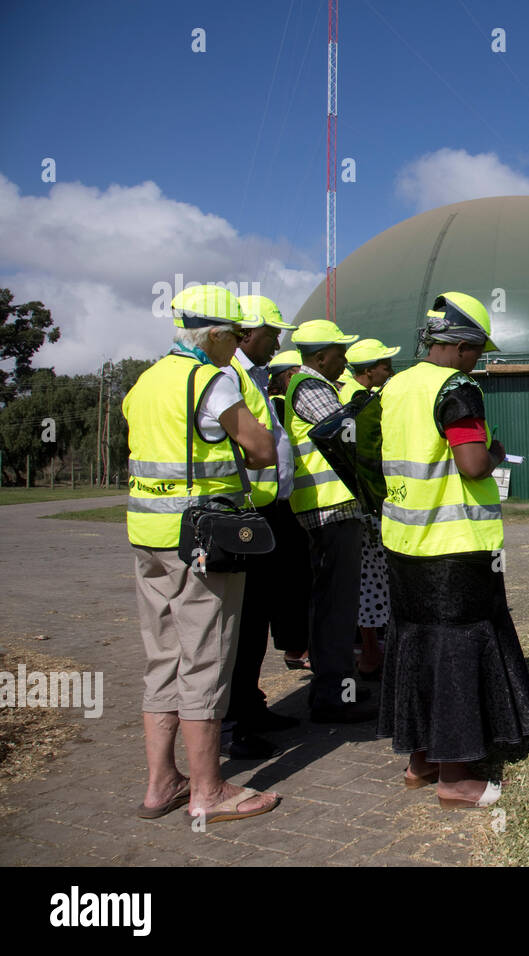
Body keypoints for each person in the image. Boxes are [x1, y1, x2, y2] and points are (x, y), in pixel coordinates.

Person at [377, 292, 529, 808]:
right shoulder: (458, 388)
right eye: (478, 351)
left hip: (404, 543)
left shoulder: (396, 386)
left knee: (417, 645)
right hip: (454, 549)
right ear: (461, 345)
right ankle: (456, 777)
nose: (480, 361)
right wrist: (494, 452)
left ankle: (421, 761)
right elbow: (471, 463)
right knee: (455, 652)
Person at [123, 284, 280, 824]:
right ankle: (208, 792)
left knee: (162, 658)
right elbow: (261, 449)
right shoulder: (208, 381)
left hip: (147, 538)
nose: (238, 346)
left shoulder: (144, 382)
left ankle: (161, 784)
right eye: (235, 336)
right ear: (214, 334)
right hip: (200, 543)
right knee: (205, 661)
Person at [214, 295, 301, 759]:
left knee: (260, 617)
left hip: (270, 512)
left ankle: (251, 703)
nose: (278, 340)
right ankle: (233, 723)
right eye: (272, 333)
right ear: (248, 334)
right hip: (248, 516)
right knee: (243, 624)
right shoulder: (229, 376)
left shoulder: (253, 376)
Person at [284, 319, 376, 723]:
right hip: (331, 508)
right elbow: (346, 434)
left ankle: (336, 688)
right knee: (337, 606)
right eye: (340, 354)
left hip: (327, 508)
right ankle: (335, 696)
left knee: (332, 603)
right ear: (321, 357)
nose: (345, 361)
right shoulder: (312, 387)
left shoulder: (309, 386)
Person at [339, 338, 402, 677]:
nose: (390, 370)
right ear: (367, 371)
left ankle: (370, 651)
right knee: (375, 579)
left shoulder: (346, 391)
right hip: (367, 504)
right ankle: (374, 654)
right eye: (384, 365)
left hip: (354, 503)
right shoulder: (359, 401)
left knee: (368, 578)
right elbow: (369, 456)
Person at [264, 348, 312, 670]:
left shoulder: (276, 405)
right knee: (292, 579)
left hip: (281, 502)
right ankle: (296, 647)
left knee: (289, 579)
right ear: (289, 376)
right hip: (284, 506)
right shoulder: (281, 407)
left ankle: (294, 646)